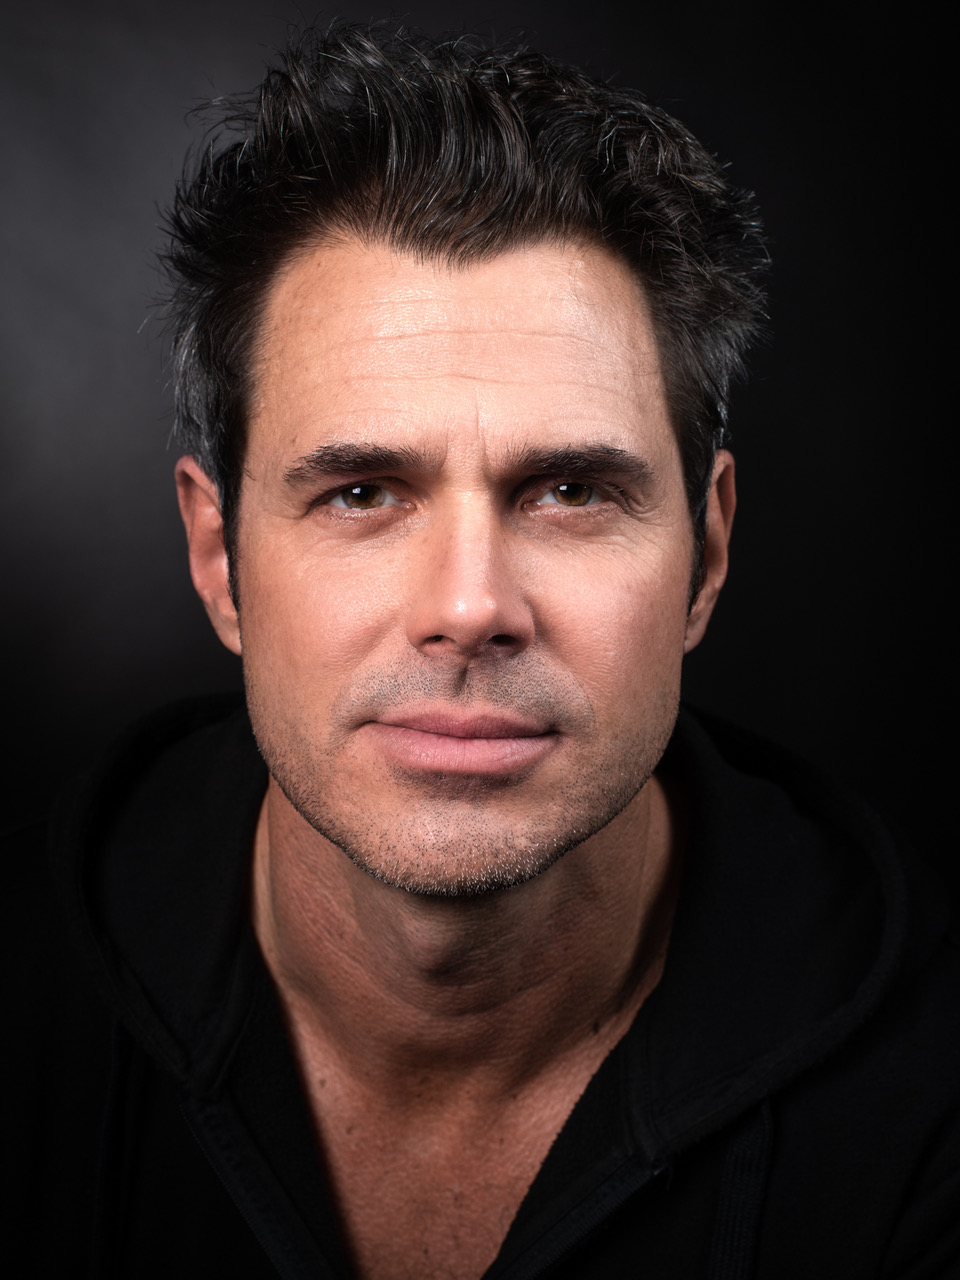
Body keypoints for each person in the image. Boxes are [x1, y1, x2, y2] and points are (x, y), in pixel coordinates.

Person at [5, 22, 957, 1280]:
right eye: (361, 493)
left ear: (709, 552)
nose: (468, 605)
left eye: (569, 490)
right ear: (218, 556)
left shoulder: (931, 1092)